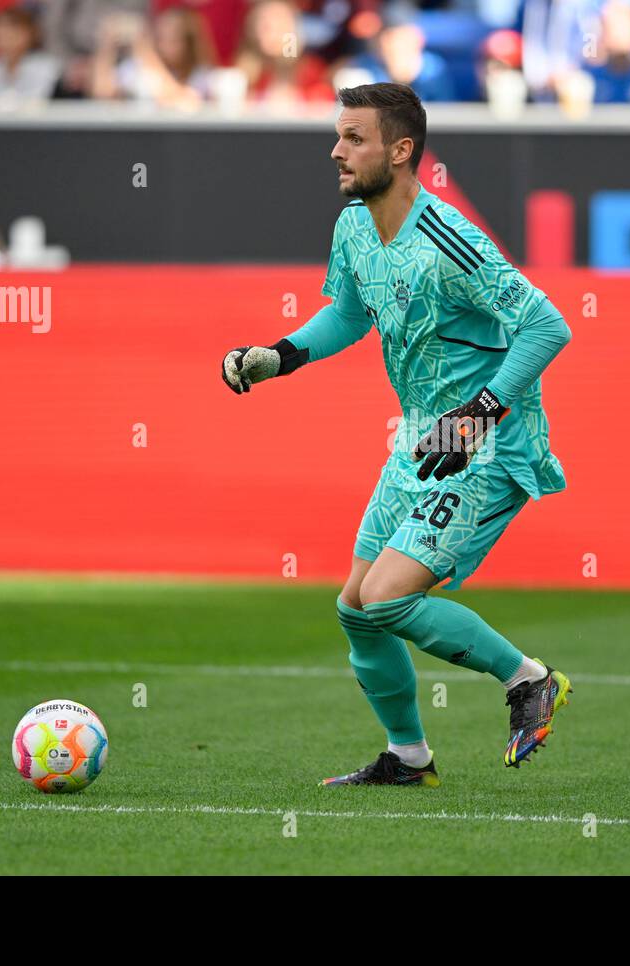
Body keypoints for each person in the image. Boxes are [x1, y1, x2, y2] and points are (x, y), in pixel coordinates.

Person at [221, 83, 575, 786]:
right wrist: (279, 356)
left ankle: (528, 680)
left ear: (401, 150)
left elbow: (546, 326)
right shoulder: (355, 226)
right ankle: (409, 758)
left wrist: (478, 414)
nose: (337, 151)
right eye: (338, 135)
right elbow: (349, 313)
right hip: (420, 440)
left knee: (387, 597)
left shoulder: (450, 239)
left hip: (488, 443)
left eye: (354, 138)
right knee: (356, 608)